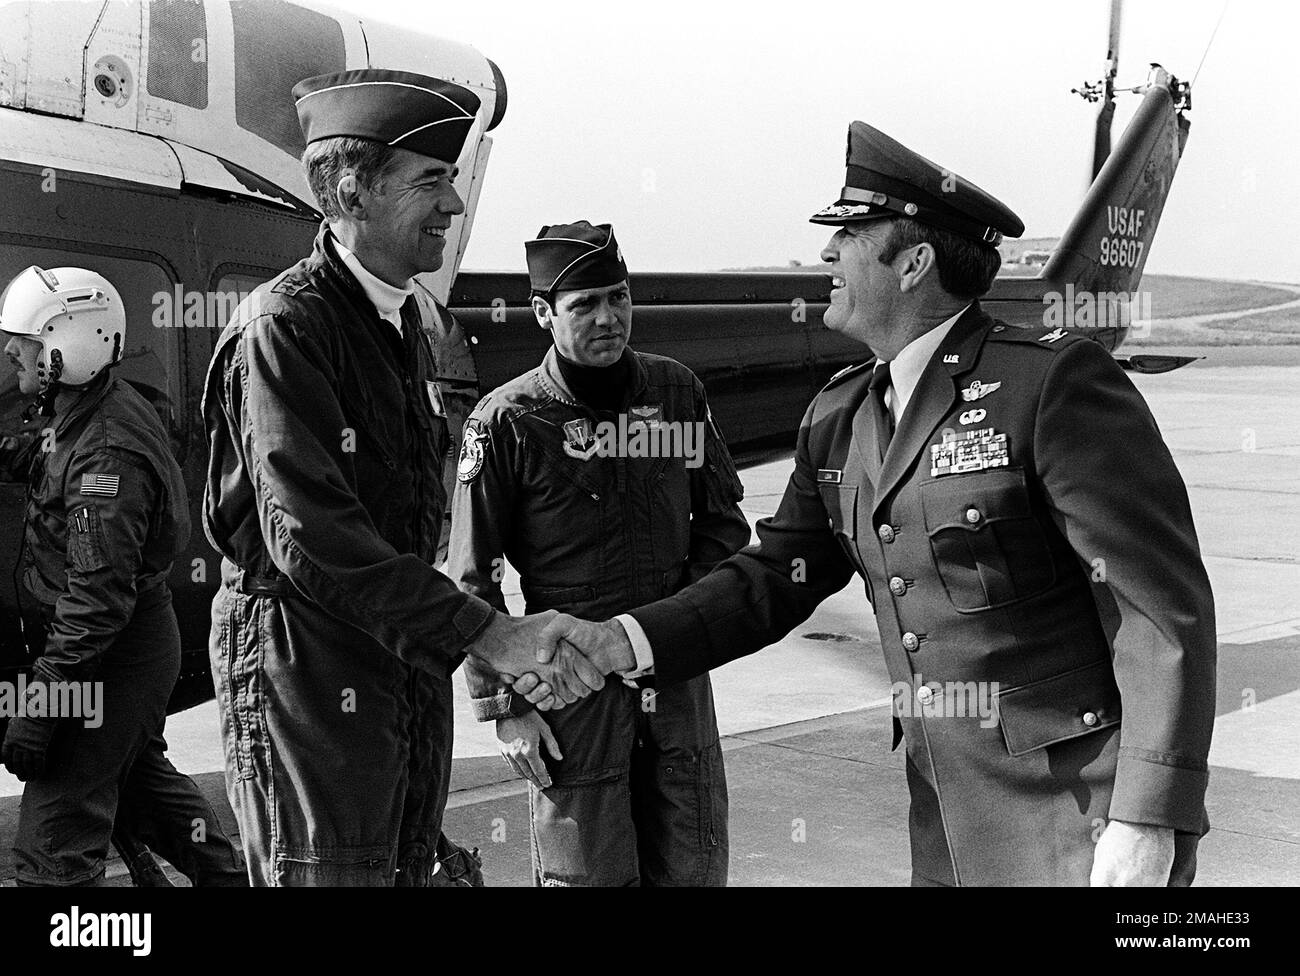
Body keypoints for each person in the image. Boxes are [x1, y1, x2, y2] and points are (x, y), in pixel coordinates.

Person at [536, 122, 1218, 887]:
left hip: (1074, 822)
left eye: (851, 235)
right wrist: (620, 641)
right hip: (943, 826)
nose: (827, 253)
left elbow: (1160, 610)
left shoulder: (1052, 388)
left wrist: (1148, 818)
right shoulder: (839, 416)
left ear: (914, 262)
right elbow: (773, 578)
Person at [201, 68, 601, 887]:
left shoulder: (414, 325)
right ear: (352, 193)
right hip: (308, 667)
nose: (454, 207)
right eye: (431, 182)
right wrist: (485, 633)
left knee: (402, 866)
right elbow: (311, 535)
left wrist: (478, 649)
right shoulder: (286, 328)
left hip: (403, 658)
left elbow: (433, 519)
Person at [449, 221, 748, 886]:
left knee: (693, 865)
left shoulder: (674, 396)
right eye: (585, 304)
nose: (608, 317)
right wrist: (507, 710)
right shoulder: (509, 423)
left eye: (618, 297)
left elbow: (724, 526)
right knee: (586, 874)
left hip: (671, 673)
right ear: (542, 313)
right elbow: (472, 579)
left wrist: (677, 625)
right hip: (570, 686)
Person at [0, 265, 245, 887]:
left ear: (65, 346)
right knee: (144, 794)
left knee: (54, 843)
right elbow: (40, 448)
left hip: (111, 656)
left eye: (23, 343)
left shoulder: (107, 453)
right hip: (121, 647)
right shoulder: (82, 408)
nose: (9, 352)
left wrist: (41, 706)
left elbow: (95, 600)